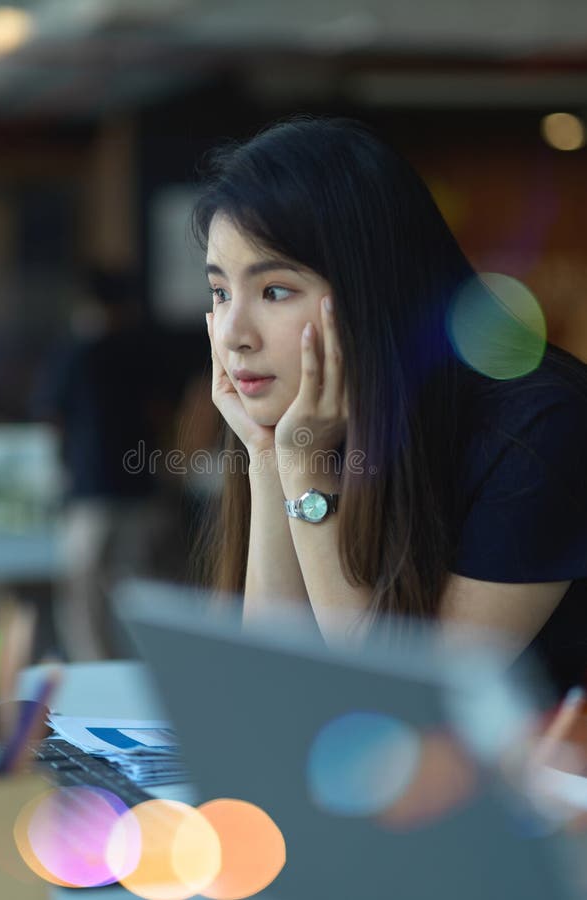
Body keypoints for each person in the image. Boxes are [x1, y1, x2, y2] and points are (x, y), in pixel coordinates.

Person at [192, 115, 587, 697]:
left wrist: (302, 470)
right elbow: (269, 688)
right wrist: (269, 453)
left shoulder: (541, 423)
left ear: (372, 289)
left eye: (274, 290)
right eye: (220, 293)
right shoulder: (320, 418)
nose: (232, 334)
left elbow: (404, 701)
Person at [34, 267, 171, 660]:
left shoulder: (74, 351)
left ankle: (95, 671)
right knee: (144, 589)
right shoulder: (142, 349)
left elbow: (51, 416)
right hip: (140, 488)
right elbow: (163, 413)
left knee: (84, 599)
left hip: (90, 491)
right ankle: (153, 670)